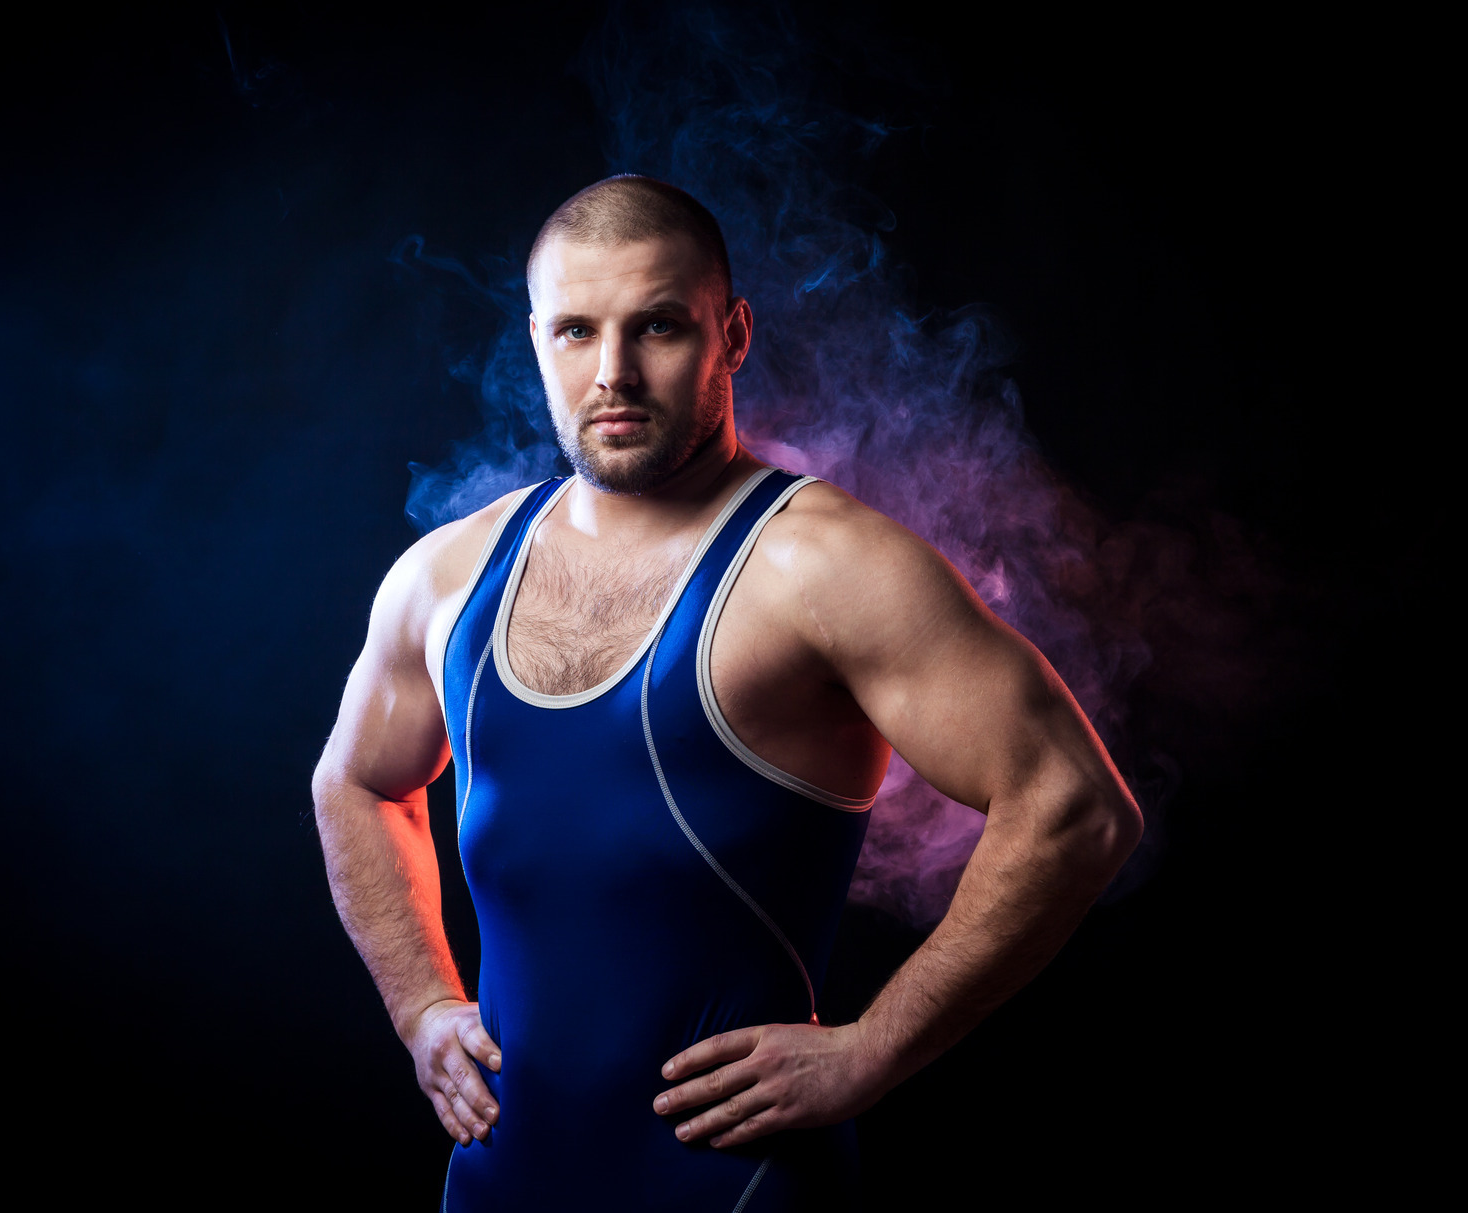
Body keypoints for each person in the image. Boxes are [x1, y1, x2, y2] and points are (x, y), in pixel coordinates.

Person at [311, 175, 1141, 1210]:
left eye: (657, 325)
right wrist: (423, 1007)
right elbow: (354, 782)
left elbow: (1075, 806)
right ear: (536, 340)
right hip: (496, 1179)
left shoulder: (826, 567)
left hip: (731, 1185)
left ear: (731, 336)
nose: (613, 373)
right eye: (576, 331)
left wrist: (871, 1048)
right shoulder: (446, 576)